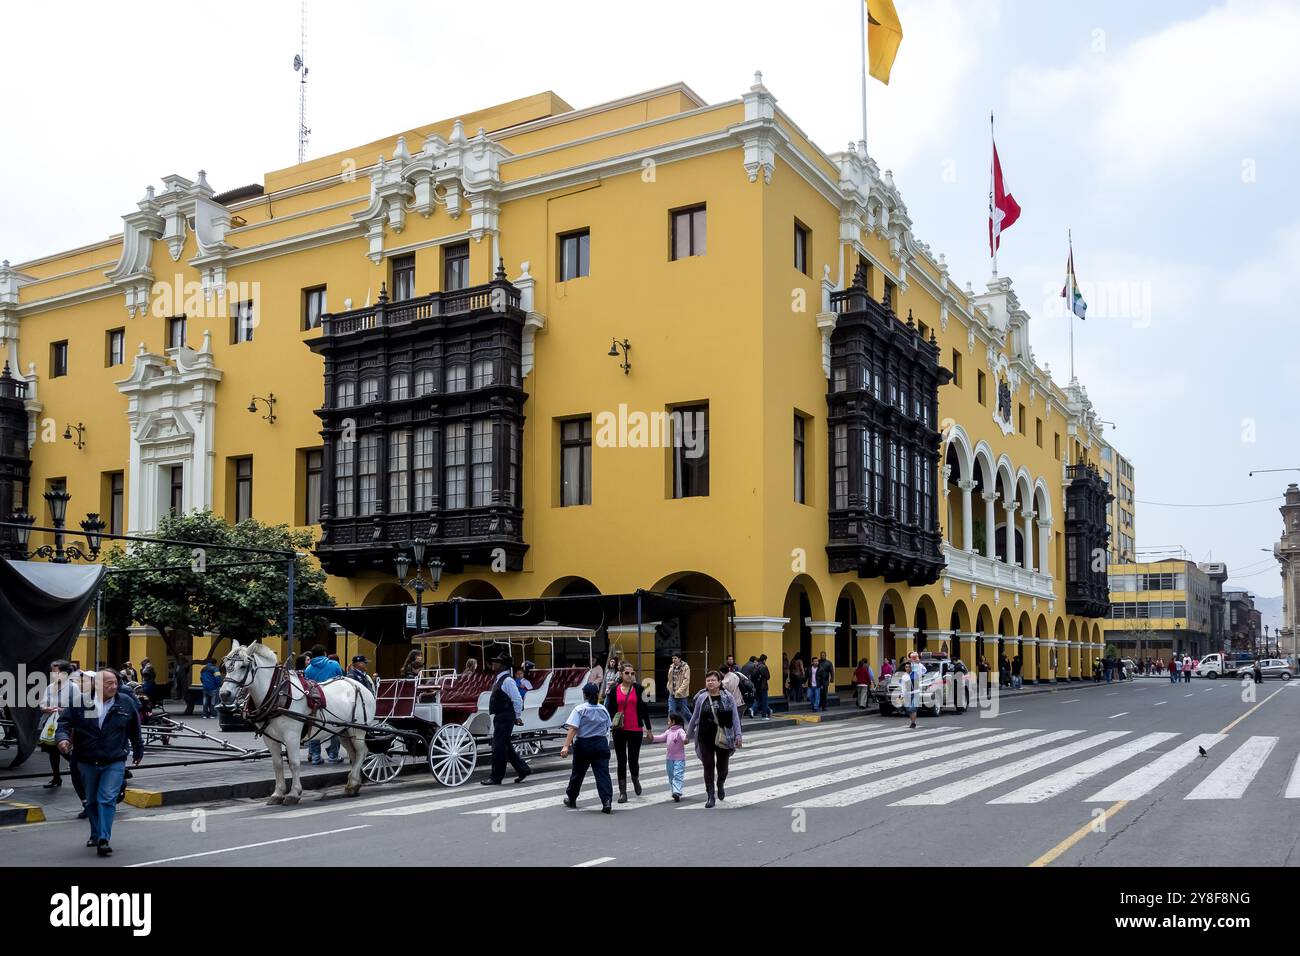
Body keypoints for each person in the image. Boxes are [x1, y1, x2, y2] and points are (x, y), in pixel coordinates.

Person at [56, 670, 144, 857]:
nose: (113, 687)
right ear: (96, 684)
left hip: (114, 759)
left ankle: (104, 838)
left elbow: (134, 730)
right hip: (86, 759)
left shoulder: (125, 703)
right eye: (108, 683)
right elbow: (64, 723)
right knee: (91, 801)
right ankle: (95, 833)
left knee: (107, 798)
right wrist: (62, 739)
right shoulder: (80, 702)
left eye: (115, 683)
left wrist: (138, 750)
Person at [685, 670, 743, 808]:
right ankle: (710, 795)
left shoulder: (728, 697)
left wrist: (738, 734)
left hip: (724, 736)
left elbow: (735, 716)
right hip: (705, 737)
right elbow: (694, 717)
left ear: (719, 682)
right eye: (708, 680)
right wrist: (688, 735)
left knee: (723, 767)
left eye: (713, 680)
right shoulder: (701, 697)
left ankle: (720, 783)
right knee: (708, 765)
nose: (710, 682)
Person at [560, 682, 613, 813]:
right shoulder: (603, 709)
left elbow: (573, 728)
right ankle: (606, 801)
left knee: (578, 773)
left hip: (584, 744)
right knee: (603, 774)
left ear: (584, 695)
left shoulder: (580, 709)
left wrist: (565, 746)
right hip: (601, 744)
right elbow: (608, 727)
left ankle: (571, 798)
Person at [606, 662, 652, 802]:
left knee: (633, 759)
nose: (630, 675)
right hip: (619, 729)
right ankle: (623, 792)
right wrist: (608, 726)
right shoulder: (614, 690)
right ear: (621, 674)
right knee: (621, 760)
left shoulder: (639, 689)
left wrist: (648, 730)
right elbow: (610, 710)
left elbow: (644, 710)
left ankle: (635, 778)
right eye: (627, 673)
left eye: (632, 673)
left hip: (635, 729)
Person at [483, 652, 530, 786]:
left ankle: (496, 777)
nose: (493, 663)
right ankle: (523, 769)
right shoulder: (500, 678)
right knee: (505, 745)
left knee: (498, 747)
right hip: (501, 716)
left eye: (496, 662)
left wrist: (517, 716)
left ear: (503, 666)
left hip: (505, 716)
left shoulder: (508, 680)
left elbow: (517, 700)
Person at [40, 662, 83, 801]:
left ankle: (81, 772)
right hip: (51, 722)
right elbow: (42, 704)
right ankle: (56, 777)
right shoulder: (50, 687)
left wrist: (62, 709)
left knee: (64, 750)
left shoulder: (73, 687)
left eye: (56, 672)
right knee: (52, 750)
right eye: (52, 672)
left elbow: (77, 707)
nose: (53, 674)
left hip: (66, 724)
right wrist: (47, 708)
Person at [305, 645, 344, 764]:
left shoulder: (308, 669)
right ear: (325, 653)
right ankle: (333, 755)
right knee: (335, 727)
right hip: (334, 701)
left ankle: (316, 756)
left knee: (314, 726)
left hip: (316, 701)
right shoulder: (334, 664)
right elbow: (342, 680)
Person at [651, 712, 689, 802]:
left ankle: (677, 791)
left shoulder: (680, 731)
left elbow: (684, 737)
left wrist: (685, 740)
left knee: (678, 775)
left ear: (673, 721)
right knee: (671, 776)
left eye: (669, 721)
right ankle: (674, 791)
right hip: (669, 759)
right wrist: (652, 738)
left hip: (679, 758)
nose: (667, 722)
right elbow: (661, 737)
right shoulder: (668, 731)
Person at [666, 652, 692, 721]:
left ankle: (694, 725)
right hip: (672, 693)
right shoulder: (671, 667)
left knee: (685, 712)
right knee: (671, 711)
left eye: (675, 658)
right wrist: (668, 687)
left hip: (681, 695)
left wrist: (679, 691)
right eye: (672, 658)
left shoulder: (685, 667)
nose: (673, 660)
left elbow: (686, 681)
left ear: (679, 659)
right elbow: (670, 679)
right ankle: (671, 727)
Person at [752, 654, 773, 719]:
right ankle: (764, 715)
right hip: (763, 686)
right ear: (764, 660)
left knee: (759, 700)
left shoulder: (756, 666)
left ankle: (752, 709)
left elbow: (753, 677)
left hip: (757, 686)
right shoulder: (763, 666)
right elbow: (768, 676)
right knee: (764, 701)